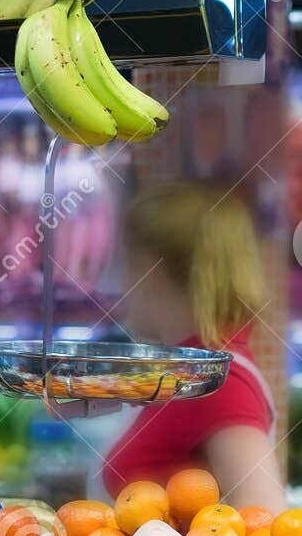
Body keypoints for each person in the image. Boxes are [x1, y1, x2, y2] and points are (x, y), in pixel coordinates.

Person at [100, 183, 285, 511]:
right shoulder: (192, 373)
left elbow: (265, 515)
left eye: (125, 267)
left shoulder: (219, 382)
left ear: (147, 271)